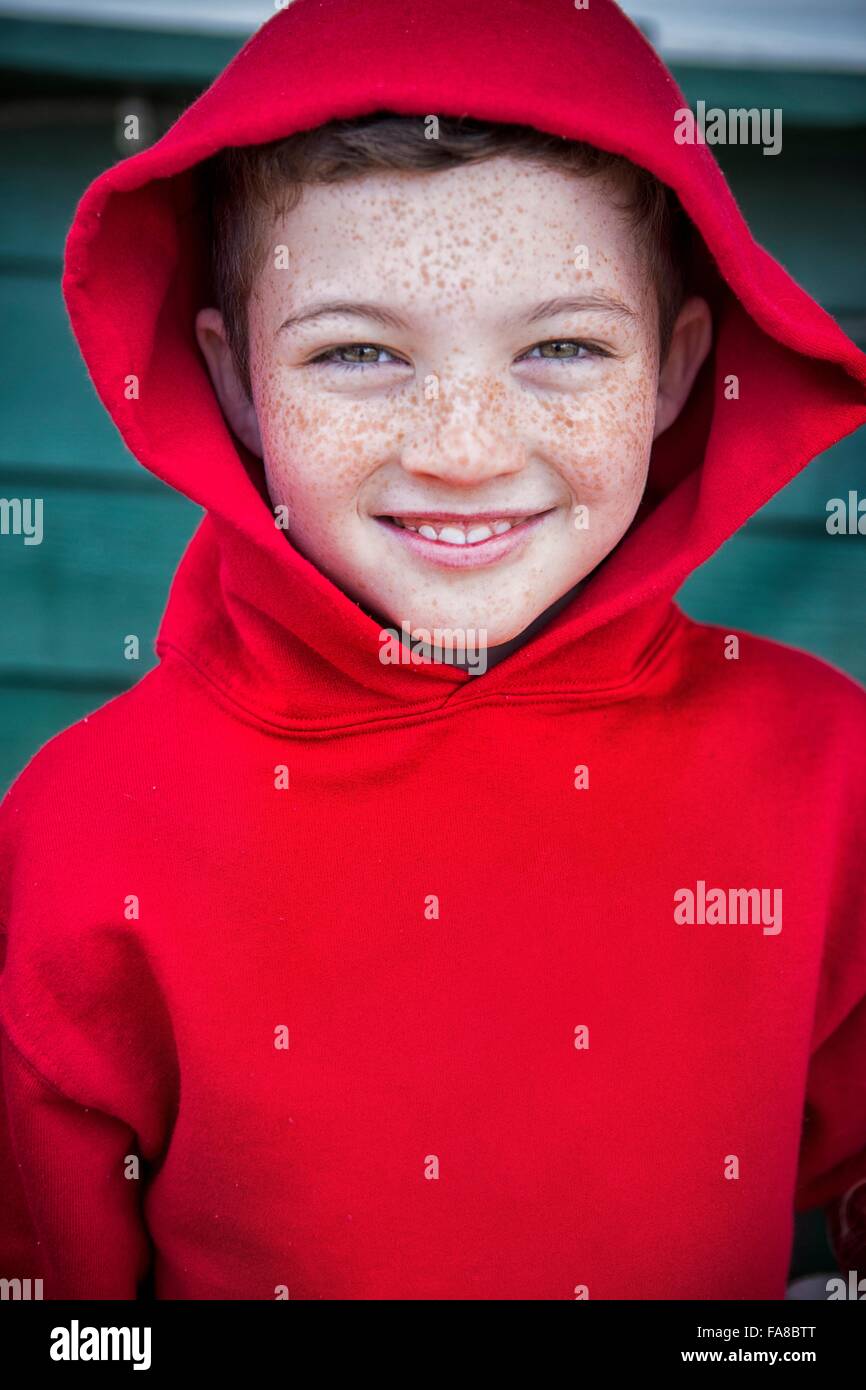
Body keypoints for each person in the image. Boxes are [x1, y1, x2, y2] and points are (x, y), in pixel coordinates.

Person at [1, 0, 864, 1300]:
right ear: (233, 381)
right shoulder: (84, 827)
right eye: (356, 352)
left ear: (680, 367)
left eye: (562, 347)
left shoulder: (822, 764)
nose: (462, 446)